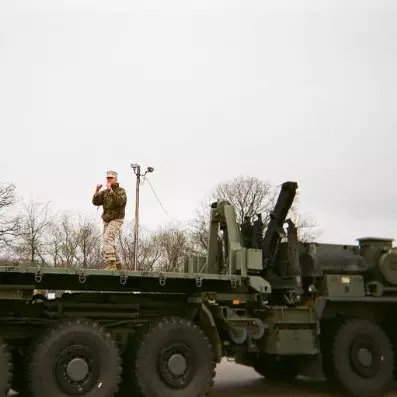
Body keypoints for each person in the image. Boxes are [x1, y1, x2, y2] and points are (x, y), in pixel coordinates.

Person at [92, 170, 127, 270]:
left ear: (115, 179)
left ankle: (111, 264)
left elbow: (120, 202)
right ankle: (118, 264)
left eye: (111, 178)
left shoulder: (121, 191)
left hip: (117, 219)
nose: (109, 179)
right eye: (108, 178)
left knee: (107, 238)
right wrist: (97, 190)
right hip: (107, 219)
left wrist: (111, 191)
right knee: (107, 241)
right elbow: (96, 202)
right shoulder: (105, 192)